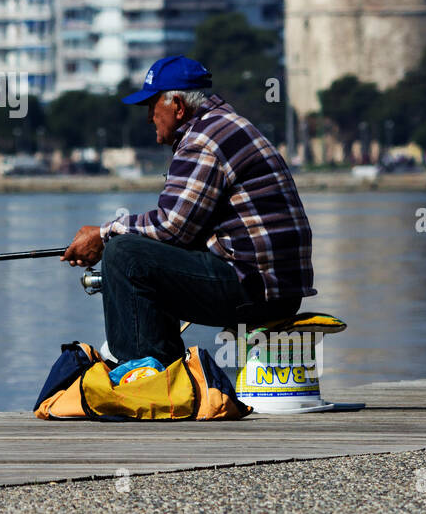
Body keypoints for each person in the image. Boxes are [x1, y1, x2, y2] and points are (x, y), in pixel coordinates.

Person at [62, 55, 315, 366]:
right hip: (280, 289)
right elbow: (181, 229)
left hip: (255, 289)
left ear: (177, 106)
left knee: (124, 254)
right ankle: (162, 368)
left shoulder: (201, 141)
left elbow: (171, 226)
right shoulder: (227, 125)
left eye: (151, 108)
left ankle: (148, 377)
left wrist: (103, 234)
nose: (148, 118)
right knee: (140, 251)